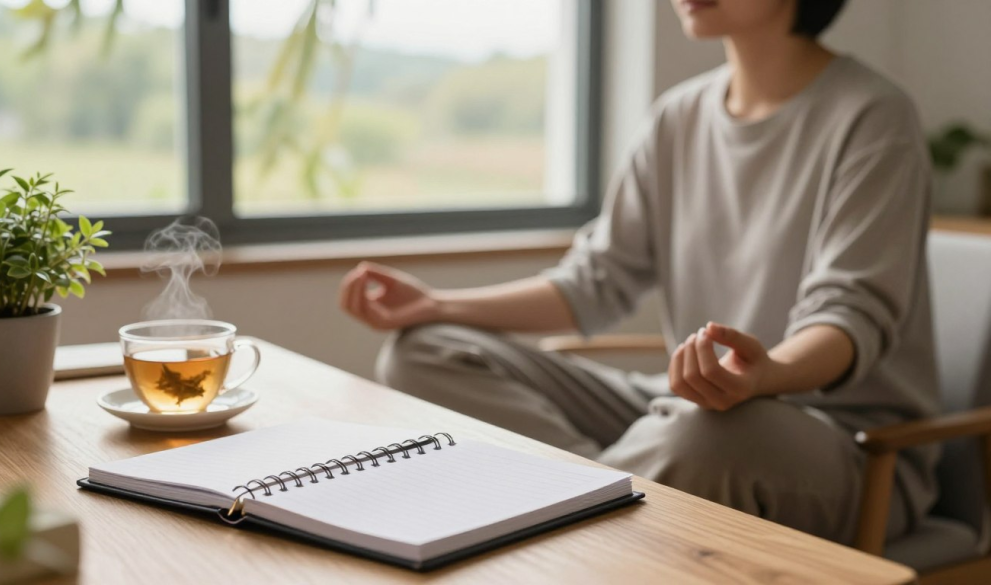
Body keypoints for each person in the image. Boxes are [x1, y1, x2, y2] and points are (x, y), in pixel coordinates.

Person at [339, 0, 939, 545]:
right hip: (685, 408)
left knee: (703, 436)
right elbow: (595, 280)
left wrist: (766, 374)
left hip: (841, 447)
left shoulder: (874, 117)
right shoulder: (677, 117)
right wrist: (439, 306)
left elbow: (849, 315)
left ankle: (582, 512)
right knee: (421, 351)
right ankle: (601, 502)